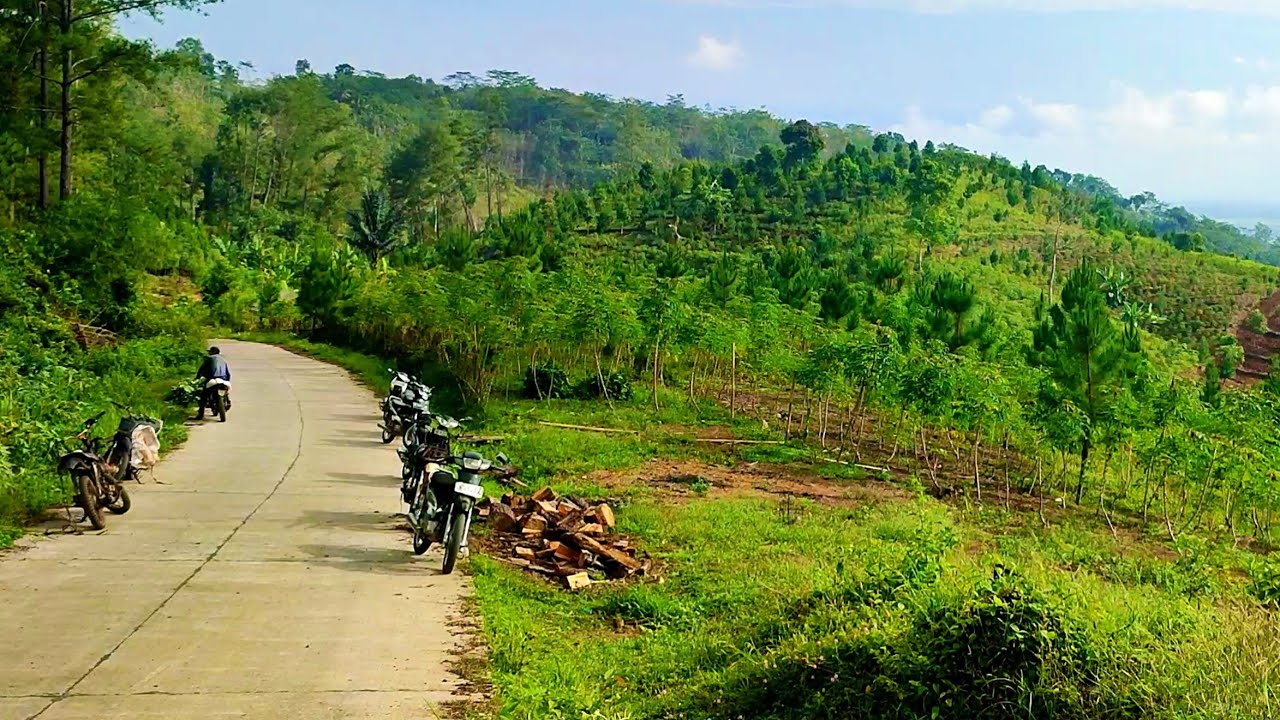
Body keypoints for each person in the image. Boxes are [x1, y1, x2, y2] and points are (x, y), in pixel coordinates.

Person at [195, 346, 232, 420]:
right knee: (225, 392)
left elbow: (202, 369)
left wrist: (197, 378)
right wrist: (227, 380)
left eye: (210, 351)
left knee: (203, 396)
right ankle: (227, 400)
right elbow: (228, 373)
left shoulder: (209, 359)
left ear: (213, 352)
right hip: (224, 379)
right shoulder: (223, 360)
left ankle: (200, 414)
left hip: (212, 378)